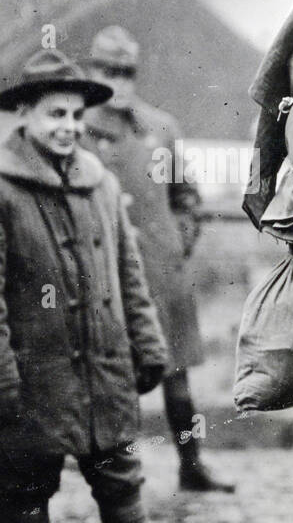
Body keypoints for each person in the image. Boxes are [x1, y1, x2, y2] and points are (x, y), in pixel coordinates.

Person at [0, 49, 211, 523]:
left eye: (72, 114)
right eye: (52, 114)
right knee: (26, 490)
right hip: (32, 376)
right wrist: (3, 379)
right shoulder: (5, 190)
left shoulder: (102, 183)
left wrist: (148, 348)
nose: (66, 126)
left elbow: (130, 279)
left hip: (102, 367)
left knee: (121, 481)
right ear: (23, 115)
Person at [82, 26, 233, 493]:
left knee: (178, 382)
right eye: (108, 72)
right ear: (92, 72)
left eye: (126, 72)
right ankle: (120, 475)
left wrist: (176, 242)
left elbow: (186, 197)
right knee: (115, 383)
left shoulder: (160, 128)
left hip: (163, 276)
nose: (119, 83)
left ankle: (192, 465)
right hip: (106, 277)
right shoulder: (80, 129)